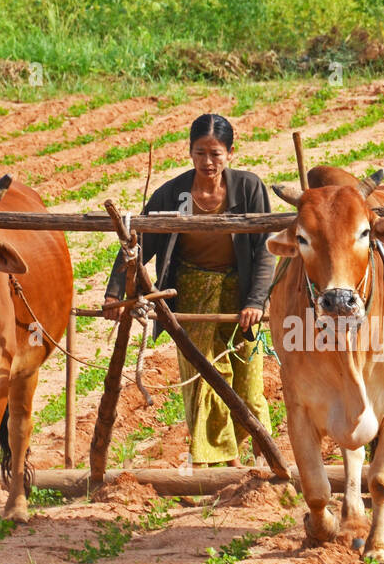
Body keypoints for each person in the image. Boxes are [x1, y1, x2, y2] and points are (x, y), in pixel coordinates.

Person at [103, 114, 276, 468]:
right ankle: (211, 466)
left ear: (230, 152)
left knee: (249, 383)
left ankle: (264, 458)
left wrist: (256, 301)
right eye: (200, 153)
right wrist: (114, 293)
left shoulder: (248, 189)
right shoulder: (173, 194)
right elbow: (136, 247)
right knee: (204, 379)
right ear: (190, 152)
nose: (208, 162)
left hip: (241, 292)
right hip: (192, 290)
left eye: (215, 153)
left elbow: (265, 250)